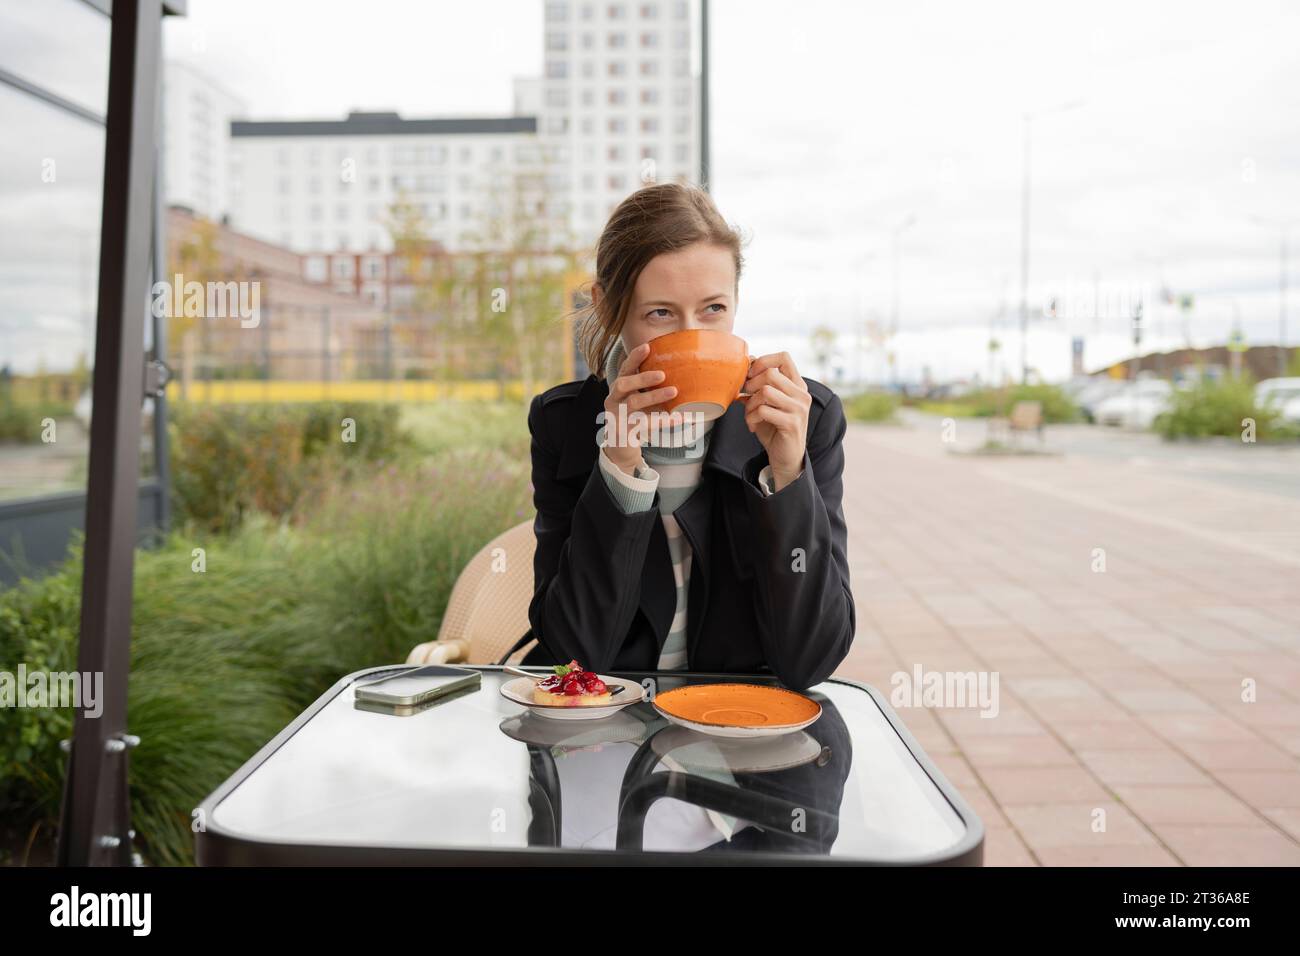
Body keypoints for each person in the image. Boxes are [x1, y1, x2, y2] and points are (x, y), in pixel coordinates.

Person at [515, 182, 854, 691]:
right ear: (608, 308)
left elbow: (811, 660)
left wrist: (787, 477)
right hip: (612, 738)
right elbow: (575, 656)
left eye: (713, 309)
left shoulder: (804, 417)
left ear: (737, 302)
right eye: (660, 313)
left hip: (740, 733)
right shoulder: (564, 422)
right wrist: (619, 470)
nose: (691, 336)